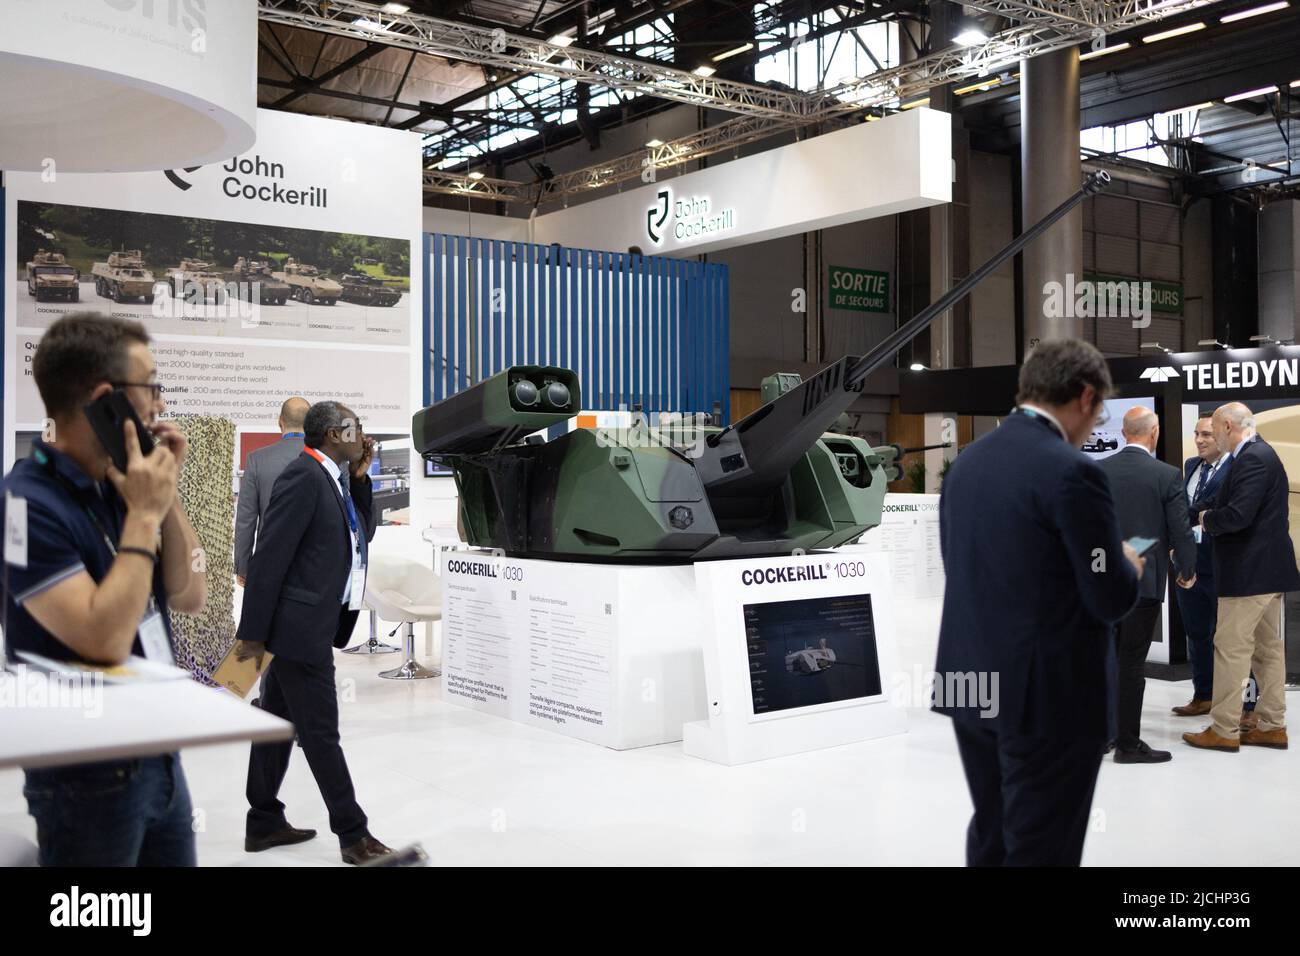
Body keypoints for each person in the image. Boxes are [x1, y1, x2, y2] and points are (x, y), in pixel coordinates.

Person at [0, 313, 207, 866]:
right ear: (106, 399)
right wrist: (144, 512)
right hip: (86, 776)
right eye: (152, 387)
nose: (160, 405)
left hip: (157, 753)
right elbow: (104, 638)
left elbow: (190, 593)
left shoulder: (121, 487)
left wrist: (165, 494)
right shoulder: (25, 503)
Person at [934, 338, 1143, 867]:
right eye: (1097, 417)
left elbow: (966, 568)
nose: (1092, 429)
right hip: (1045, 695)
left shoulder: (967, 464)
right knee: (1042, 843)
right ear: (1085, 397)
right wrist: (1128, 565)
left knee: (993, 828)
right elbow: (1108, 594)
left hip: (969, 679)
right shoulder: (1073, 473)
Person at [234, 401, 394, 864]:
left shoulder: (334, 478)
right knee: (321, 733)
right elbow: (268, 560)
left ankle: (263, 820)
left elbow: (361, 535)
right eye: (355, 428)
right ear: (330, 434)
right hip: (296, 632)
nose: (362, 435)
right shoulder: (304, 477)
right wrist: (252, 640)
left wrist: (362, 481)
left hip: (307, 627)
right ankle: (353, 834)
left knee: (277, 725)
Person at [1184, 402, 1299, 752]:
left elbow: (1237, 515)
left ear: (1230, 427)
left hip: (1248, 574)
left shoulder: (1251, 459)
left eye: (1215, 431)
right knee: (1267, 652)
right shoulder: (1259, 455)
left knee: (1231, 649)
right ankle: (1271, 725)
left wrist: (1205, 520)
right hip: (1265, 574)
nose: (1212, 438)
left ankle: (1224, 728)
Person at [1099, 406, 1197, 764]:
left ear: (1124, 433)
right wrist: (1187, 568)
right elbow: (1180, 530)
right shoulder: (1167, 475)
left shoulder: (1096, 470)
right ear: (1154, 433)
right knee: (1131, 662)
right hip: (1142, 583)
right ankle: (1127, 743)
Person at [1171, 416, 1231, 718]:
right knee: (1196, 634)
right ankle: (1203, 695)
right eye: (1196, 434)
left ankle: (1246, 705)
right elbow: (1182, 508)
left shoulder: (1238, 467)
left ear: (1222, 434)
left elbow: (1205, 508)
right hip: (1190, 564)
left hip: (1225, 566)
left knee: (1234, 641)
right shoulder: (1191, 465)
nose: (1199, 439)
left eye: (1206, 434)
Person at [233, 396, 310, 587]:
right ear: (310, 423)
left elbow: (246, 519)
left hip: (270, 565)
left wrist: (243, 566)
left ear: (280, 422)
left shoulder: (257, 460)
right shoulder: (330, 460)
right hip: (318, 566)